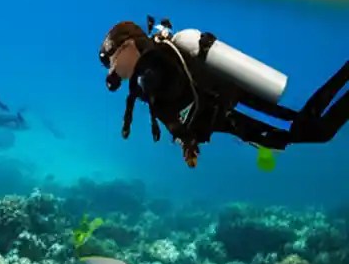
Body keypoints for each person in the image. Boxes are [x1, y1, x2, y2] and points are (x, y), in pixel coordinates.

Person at [98, 18, 349, 167]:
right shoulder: (152, 69)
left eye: (113, 62)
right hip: (235, 110)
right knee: (305, 122)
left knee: (314, 130)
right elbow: (174, 113)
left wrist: (189, 137)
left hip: (235, 109)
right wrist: (188, 143)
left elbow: (184, 105)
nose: (114, 71)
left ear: (129, 47)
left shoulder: (153, 70)